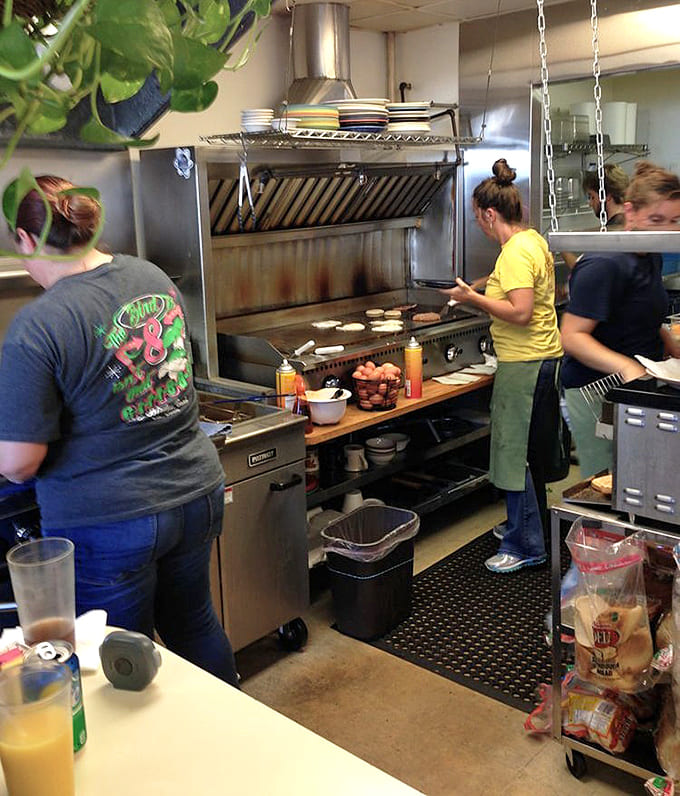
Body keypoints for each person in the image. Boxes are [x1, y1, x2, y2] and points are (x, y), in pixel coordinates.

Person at [0, 175, 239, 686]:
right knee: (194, 625)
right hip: (194, 492)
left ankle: (151, 764)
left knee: (120, 660)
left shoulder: (38, 324)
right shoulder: (149, 276)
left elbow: (18, 463)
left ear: (24, 240)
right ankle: (225, 750)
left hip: (111, 519)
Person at [442, 159, 564, 574]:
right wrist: (469, 289)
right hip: (546, 359)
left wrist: (474, 300)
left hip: (524, 365)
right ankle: (526, 526)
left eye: (479, 219)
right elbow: (507, 278)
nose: (480, 226)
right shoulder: (532, 240)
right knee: (529, 454)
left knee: (514, 457)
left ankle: (526, 544)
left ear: (491, 214)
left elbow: (520, 310)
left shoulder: (514, 252)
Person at [560, 161, 680, 478]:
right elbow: (571, 336)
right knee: (610, 483)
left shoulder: (651, 253)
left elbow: (643, 314)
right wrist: (626, 366)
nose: (667, 230)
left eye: (675, 220)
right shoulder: (605, 262)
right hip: (597, 389)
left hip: (637, 383)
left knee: (643, 476)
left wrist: (672, 347)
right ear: (630, 213)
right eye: (656, 219)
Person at [560, 164, 630, 271]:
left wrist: (562, 246)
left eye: (592, 197)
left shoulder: (613, 234)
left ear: (607, 196)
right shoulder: (629, 222)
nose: (590, 203)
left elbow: (585, 272)